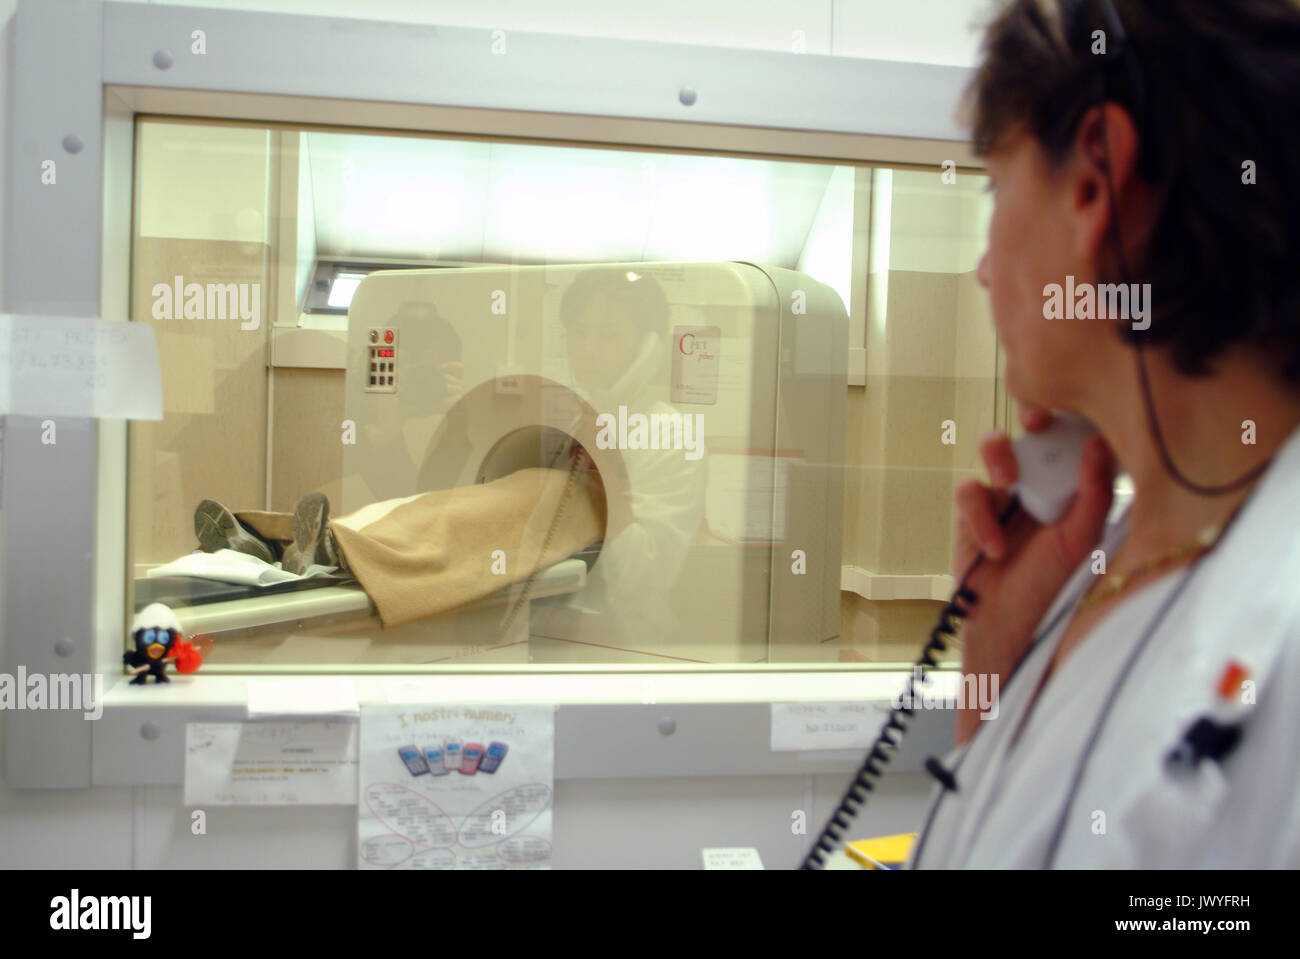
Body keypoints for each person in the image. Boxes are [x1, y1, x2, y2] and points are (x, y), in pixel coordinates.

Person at [908, 0, 1300, 867]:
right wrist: (991, 666)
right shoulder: (1102, 562)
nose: (982, 266)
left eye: (995, 185)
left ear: (1095, 183)